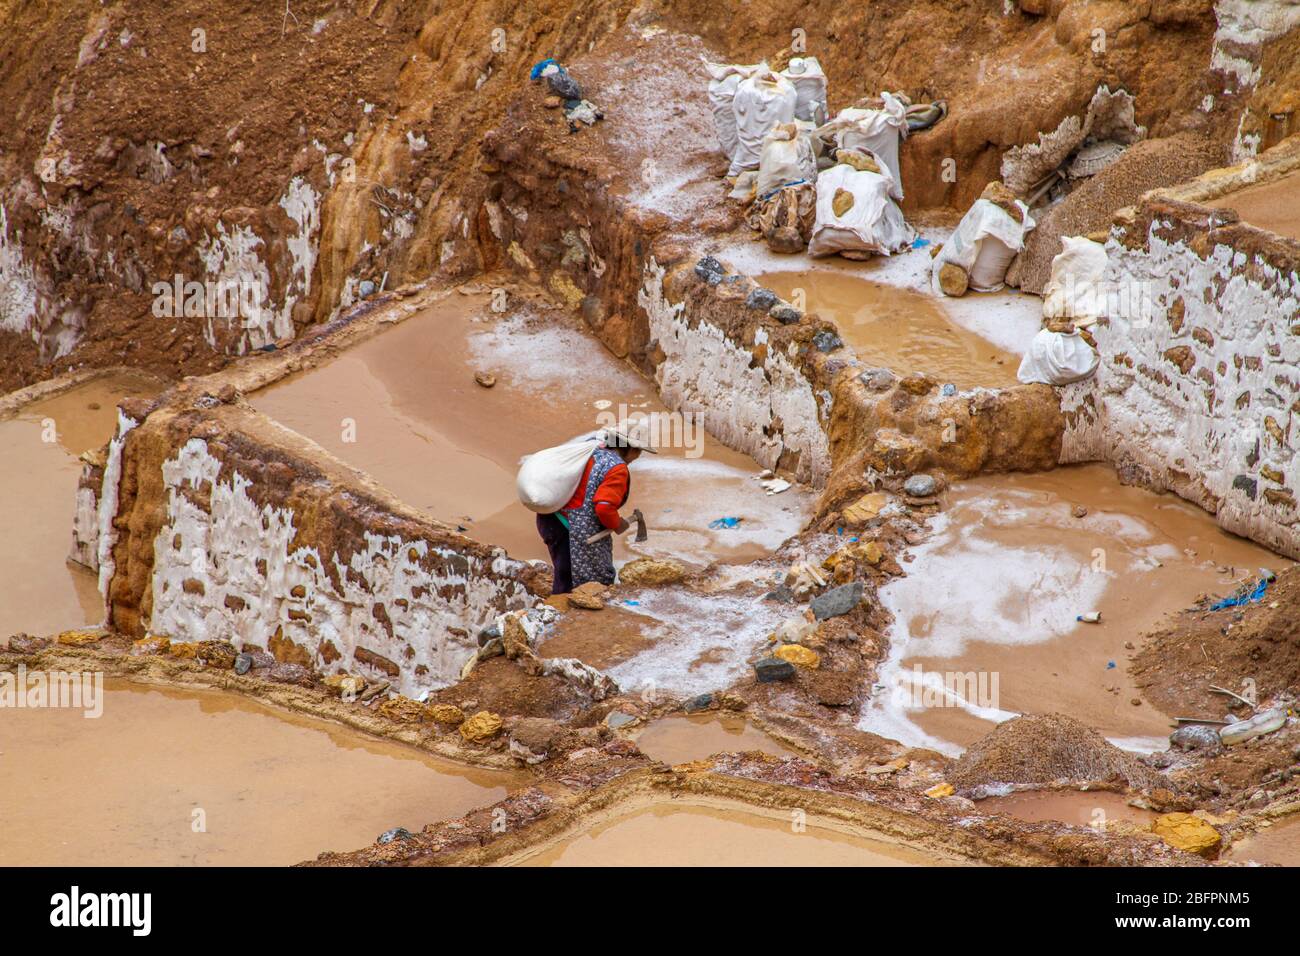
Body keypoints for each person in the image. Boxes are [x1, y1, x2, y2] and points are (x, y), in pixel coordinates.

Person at [535, 426, 656, 593]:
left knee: (564, 572)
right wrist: (617, 524)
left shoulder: (591, 450)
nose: (637, 457)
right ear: (630, 449)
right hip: (570, 529)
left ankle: (558, 610)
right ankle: (563, 614)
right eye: (638, 451)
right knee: (581, 580)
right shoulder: (617, 468)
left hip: (549, 517)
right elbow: (604, 508)